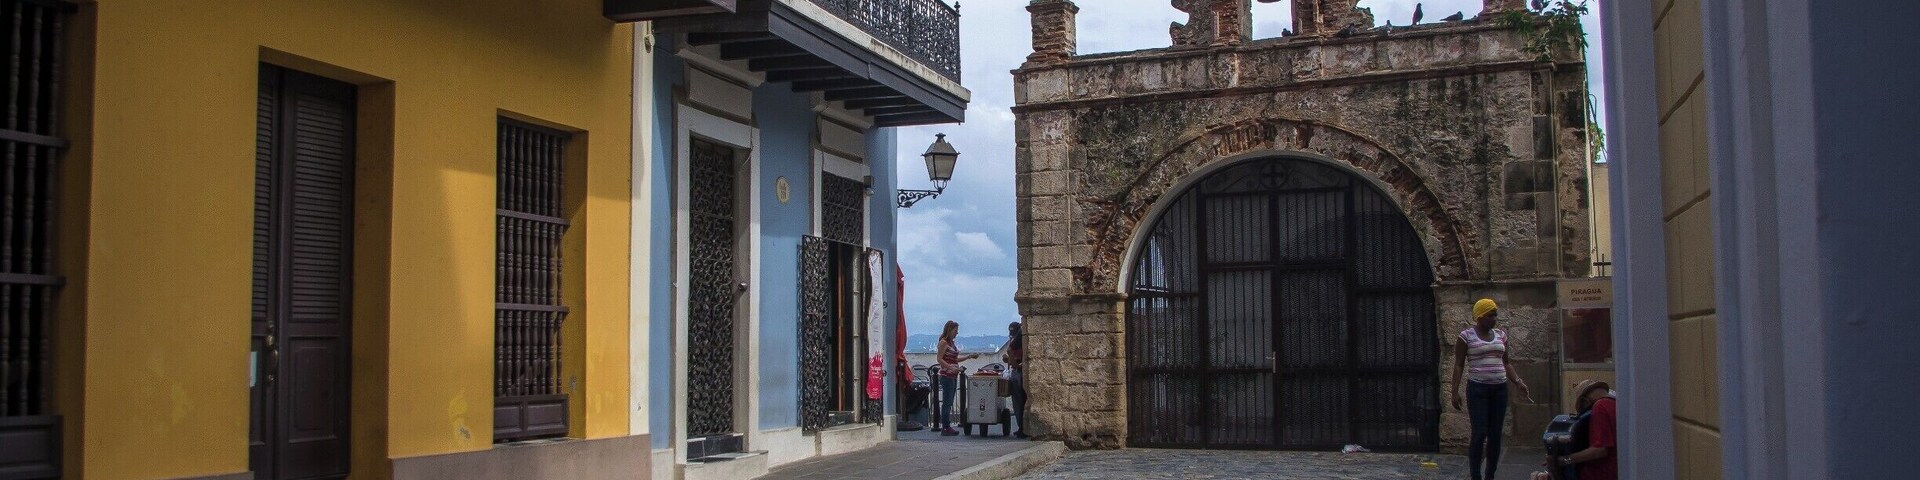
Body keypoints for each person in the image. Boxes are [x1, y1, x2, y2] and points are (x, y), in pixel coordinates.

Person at [1451, 298, 1533, 480]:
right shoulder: (1466, 337)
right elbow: (1458, 365)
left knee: (1495, 434)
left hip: (1499, 389)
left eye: (1495, 315)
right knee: (1479, 433)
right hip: (1478, 389)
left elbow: (1506, 362)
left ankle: (1490, 475)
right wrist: (1454, 391)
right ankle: (1475, 475)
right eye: (1490, 315)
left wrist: (1518, 381)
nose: (1494, 319)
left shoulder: (1501, 335)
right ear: (1480, 317)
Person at [1553, 379, 1618, 480]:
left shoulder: (1600, 406)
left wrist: (1563, 460)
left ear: (1584, 401)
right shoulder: (1615, 404)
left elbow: (1600, 450)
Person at [936, 320, 980, 436]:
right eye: (955, 331)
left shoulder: (951, 343)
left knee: (949, 401)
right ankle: (945, 426)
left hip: (953, 375)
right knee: (947, 401)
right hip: (947, 375)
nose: (956, 333)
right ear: (949, 330)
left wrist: (968, 357)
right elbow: (940, 359)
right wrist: (950, 368)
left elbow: (954, 359)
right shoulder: (943, 343)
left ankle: (947, 426)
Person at [1005, 321, 1028, 438]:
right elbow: (1010, 351)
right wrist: (1015, 365)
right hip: (1019, 371)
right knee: (1020, 401)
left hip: (1016, 371)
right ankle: (1022, 428)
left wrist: (1012, 362)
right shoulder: (1018, 338)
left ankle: (1022, 427)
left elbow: (1010, 353)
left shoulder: (1014, 339)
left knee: (1019, 401)